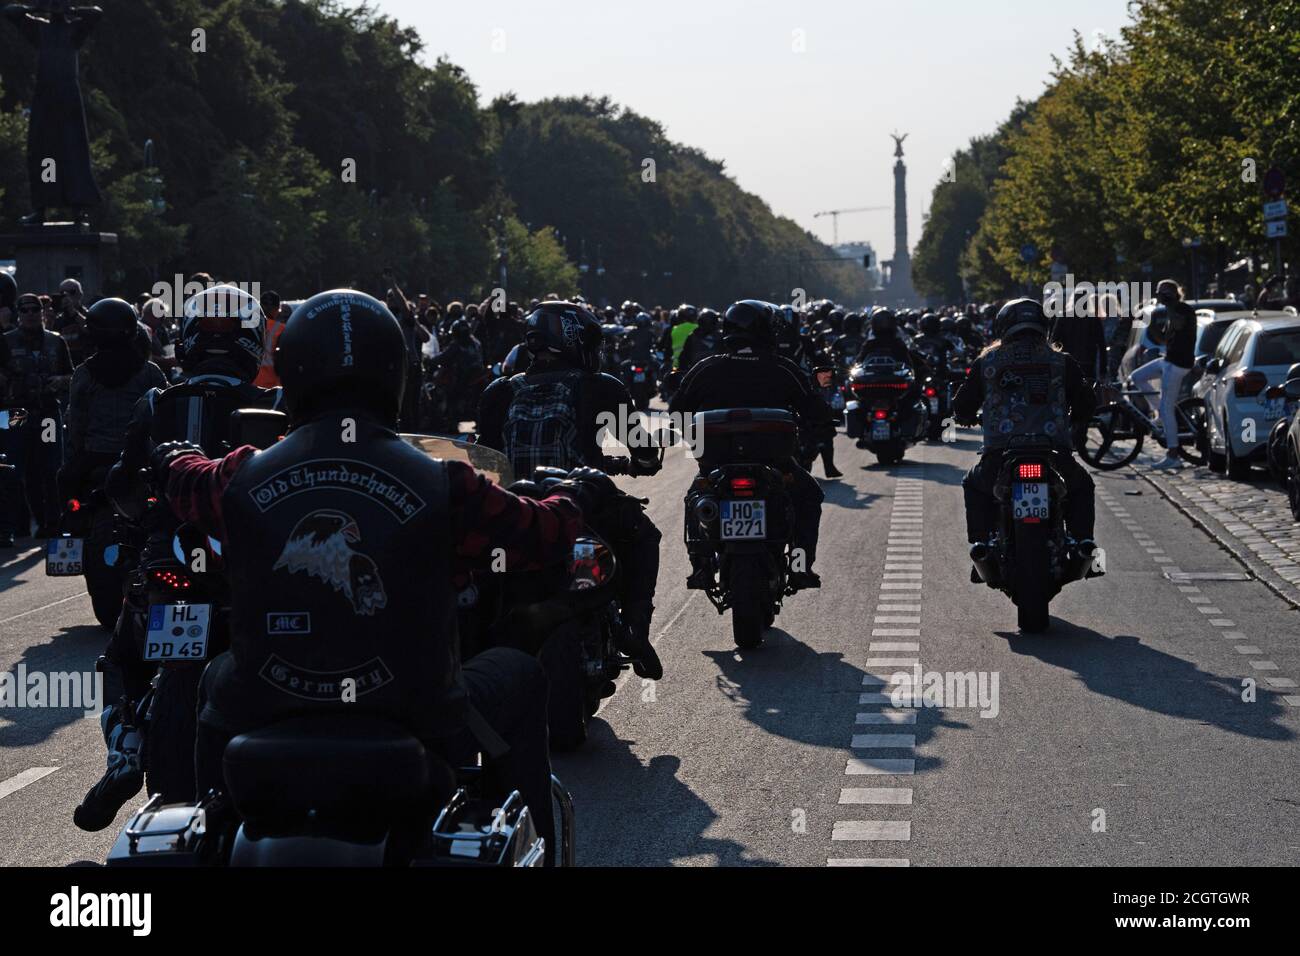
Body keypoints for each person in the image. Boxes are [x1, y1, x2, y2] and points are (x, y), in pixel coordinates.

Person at [150, 290, 603, 864]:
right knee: (518, 672)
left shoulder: (241, 475)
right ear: (396, 372)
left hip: (266, 708)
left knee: (216, 675)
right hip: (418, 713)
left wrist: (171, 455)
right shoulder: (446, 485)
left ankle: (211, 816)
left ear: (292, 371)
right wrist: (574, 494)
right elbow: (543, 534)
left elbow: (188, 479)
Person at [73, 284, 282, 832]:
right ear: (254, 340)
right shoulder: (280, 407)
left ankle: (123, 752)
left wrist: (133, 509)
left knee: (121, 656)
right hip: (249, 558)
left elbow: (123, 480)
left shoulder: (157, 402)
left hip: (170, 553)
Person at [477, 301, 665, 680]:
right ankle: (636, 632)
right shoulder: (600, 386)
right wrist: (644, 463)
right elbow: (641, 447)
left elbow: (483, 457)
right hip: (582, 505)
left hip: (515, 510)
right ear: (577, 341)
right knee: (643, 535)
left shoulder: (498, 391)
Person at [670, 300, 833, 591]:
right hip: (775, 461)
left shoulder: (706, 368)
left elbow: (677, 410)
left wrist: (691, 433)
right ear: (767, 331)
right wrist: (820, 423)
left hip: (716, 463)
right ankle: (800, 567)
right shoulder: (783, 368)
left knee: (696, 499)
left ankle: (701, 568)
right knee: (808, 498)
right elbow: (815, 410)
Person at [953, 298, 1098, 570]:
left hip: (1001, 452)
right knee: (1081, 487)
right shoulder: (1061, 361)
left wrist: (965, 417)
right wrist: (1078, 417)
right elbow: (1085, 403)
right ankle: (1084, 546)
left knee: (974, 485)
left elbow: (962, 405)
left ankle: (981, 548)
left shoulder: (988, 362)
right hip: (1053, 451)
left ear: (1003, 326)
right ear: (1044, 326)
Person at [57, 298, 166, 509]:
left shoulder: (84, 373)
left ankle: (71, 536)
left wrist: (80, 452)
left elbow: (76, 424)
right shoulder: (150, 371)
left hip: (95, 456)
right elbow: (164, 416)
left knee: (65, 482)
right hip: (139, 456)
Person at [2, 291, 73, 536]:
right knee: (11, 468)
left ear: (42, 312)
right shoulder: (5, 341)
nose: (31, 314)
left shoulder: (56, 341)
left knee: (51, 468)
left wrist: (59, 381)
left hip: (47, 413)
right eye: (25, 310)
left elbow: (72, 375)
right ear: (18, 314)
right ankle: (11, 527)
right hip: (14, 413)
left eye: (35, 310)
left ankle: (51, 523)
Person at [1129, 279, 1197, 469]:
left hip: (1179, 364)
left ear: (1176, 293)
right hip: (1168, 360)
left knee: (1168, 408)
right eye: (1161, 293)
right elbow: (1164, 340)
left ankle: (1173, 454)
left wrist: (1169, 304)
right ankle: (1158, 412)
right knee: (1137, 377)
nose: (1163, 296)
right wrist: (1148, 323)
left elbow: (1180, 324)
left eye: (1167, 292)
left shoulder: (1182, 309)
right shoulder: (1169, 311)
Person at [253, 290, 287, 388]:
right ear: (277, 309)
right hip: (274, 385)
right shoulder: (282, 329)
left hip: (252, 381)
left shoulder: (250, 326)